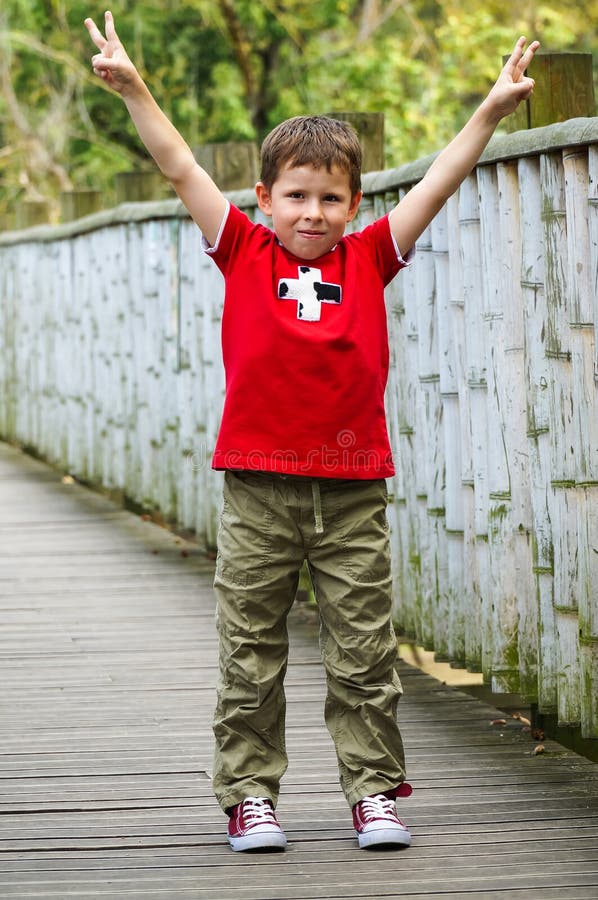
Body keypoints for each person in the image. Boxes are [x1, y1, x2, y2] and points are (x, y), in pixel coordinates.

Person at [85, 10, 539, 853]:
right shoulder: (243, 252)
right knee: (249, 650)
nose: (313, 212)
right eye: (295, 196)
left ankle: (373, 793)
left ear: (355, 203)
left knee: (363, 650)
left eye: (332, 198)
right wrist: (137, 89)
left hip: (353, 489)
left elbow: (437, 184)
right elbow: (179, 165)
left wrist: (488, 112)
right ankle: (250, 795)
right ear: (264, 200)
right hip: (258, 485)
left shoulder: (368, 259)